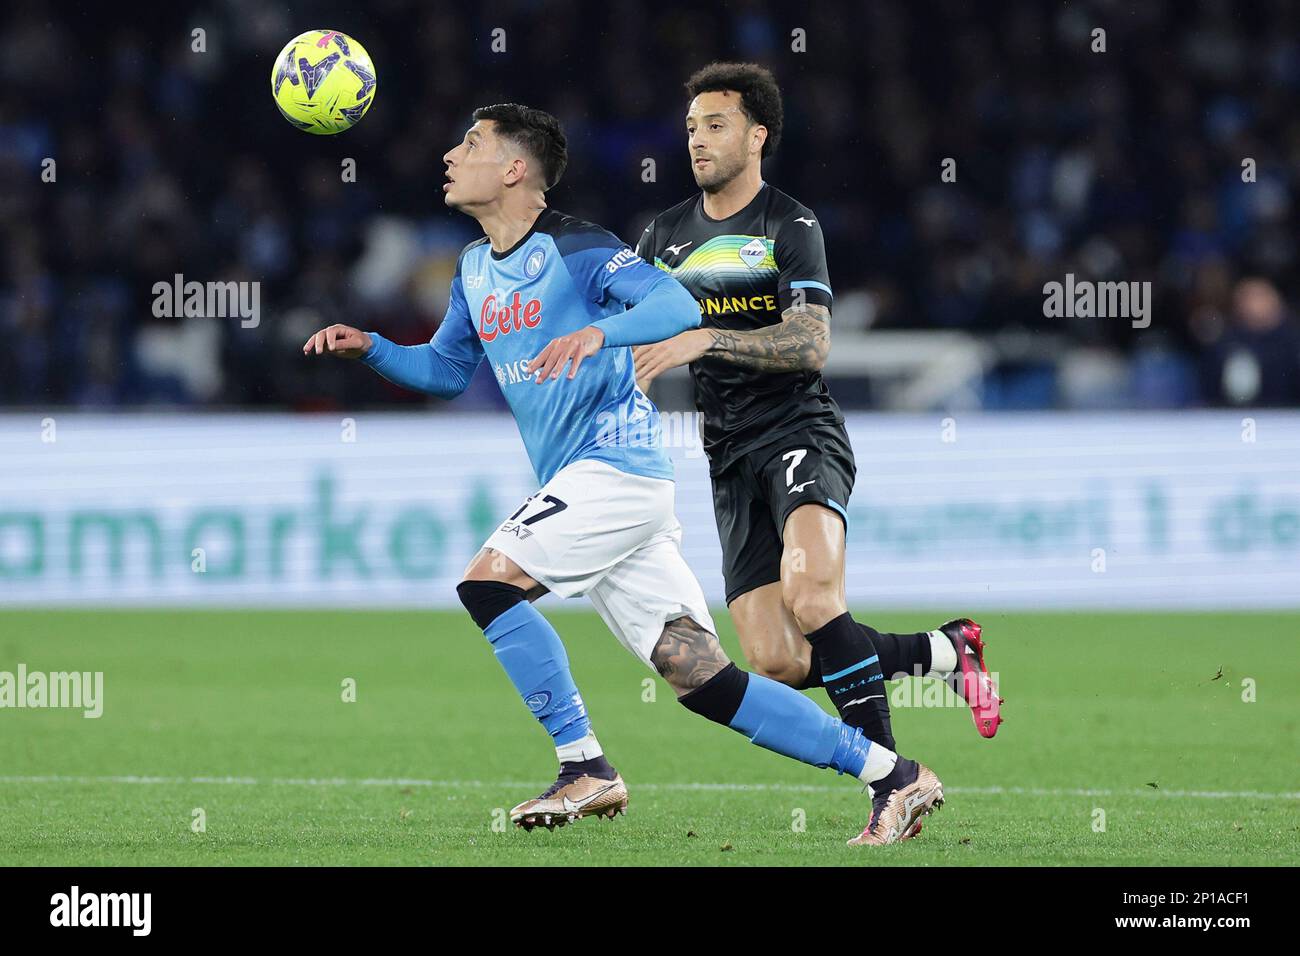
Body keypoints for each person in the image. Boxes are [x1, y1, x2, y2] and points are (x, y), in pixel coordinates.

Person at [303, 103, 943, 845]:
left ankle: (586, 766)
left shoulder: (577, 247)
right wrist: (373, 348)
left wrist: (598, 329)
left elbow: (673, 302)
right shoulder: (473, 268)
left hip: (616, 468)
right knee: (699, 675)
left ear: (514, 169)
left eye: (470, 143)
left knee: (486, 582)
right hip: (592, 486)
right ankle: (892, 774)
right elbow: (446, 370)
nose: (450, 155)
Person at [631, 64, 1001, 842]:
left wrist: (708, 335)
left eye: (717, 124)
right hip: (726, 454)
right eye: (693, 125)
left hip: (797, 430)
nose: (698, 138)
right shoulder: (662, 236)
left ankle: (896, 788)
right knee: (778, 659)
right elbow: (623, 324)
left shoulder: (787, 225)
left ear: (757, 135)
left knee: (812, 597)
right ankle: (947, 649)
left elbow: (813, 340)